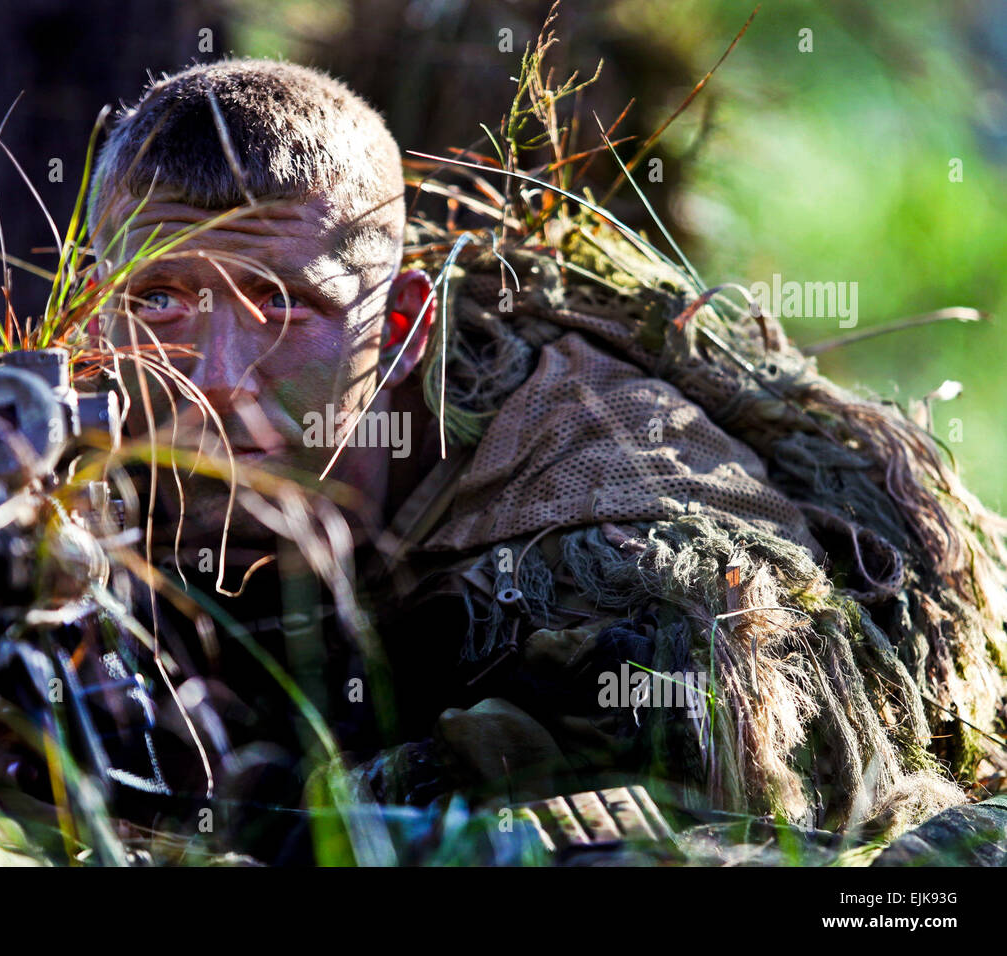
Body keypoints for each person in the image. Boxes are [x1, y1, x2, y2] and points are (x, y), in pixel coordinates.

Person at [78, 57, 1007, 864]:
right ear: (92, 312)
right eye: (159, 298)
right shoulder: (54, 469)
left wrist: (198, 823)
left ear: (400, 328)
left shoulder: (618, 528)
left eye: (281, 305)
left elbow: (654, 776)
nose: (217, 378)